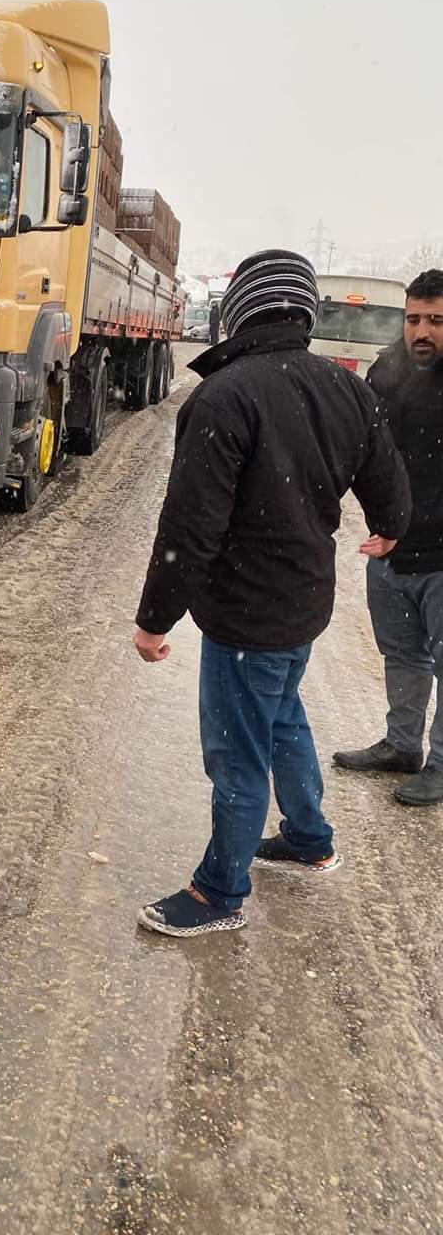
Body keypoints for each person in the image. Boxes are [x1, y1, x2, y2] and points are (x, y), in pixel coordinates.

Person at [132, 249, 410, 937]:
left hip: (247, 612)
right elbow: (391, 485)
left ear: (238, 312)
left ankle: (219, 892)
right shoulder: (346, 389)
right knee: (281, 716)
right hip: (302, 601)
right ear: (306, 312)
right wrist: (389, 529)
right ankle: (310, 839)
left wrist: (154, 619)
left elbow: (191, 526)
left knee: (237, 750)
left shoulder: (225, 396)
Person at [334, 269, 443, 805]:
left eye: (437, 321)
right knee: (402, 653)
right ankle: (403, 746)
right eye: (414, 319)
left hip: (442, 554)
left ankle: (442, 764)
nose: (422, 332)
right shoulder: (385, 371)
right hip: (391, 549)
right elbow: (365, 453)